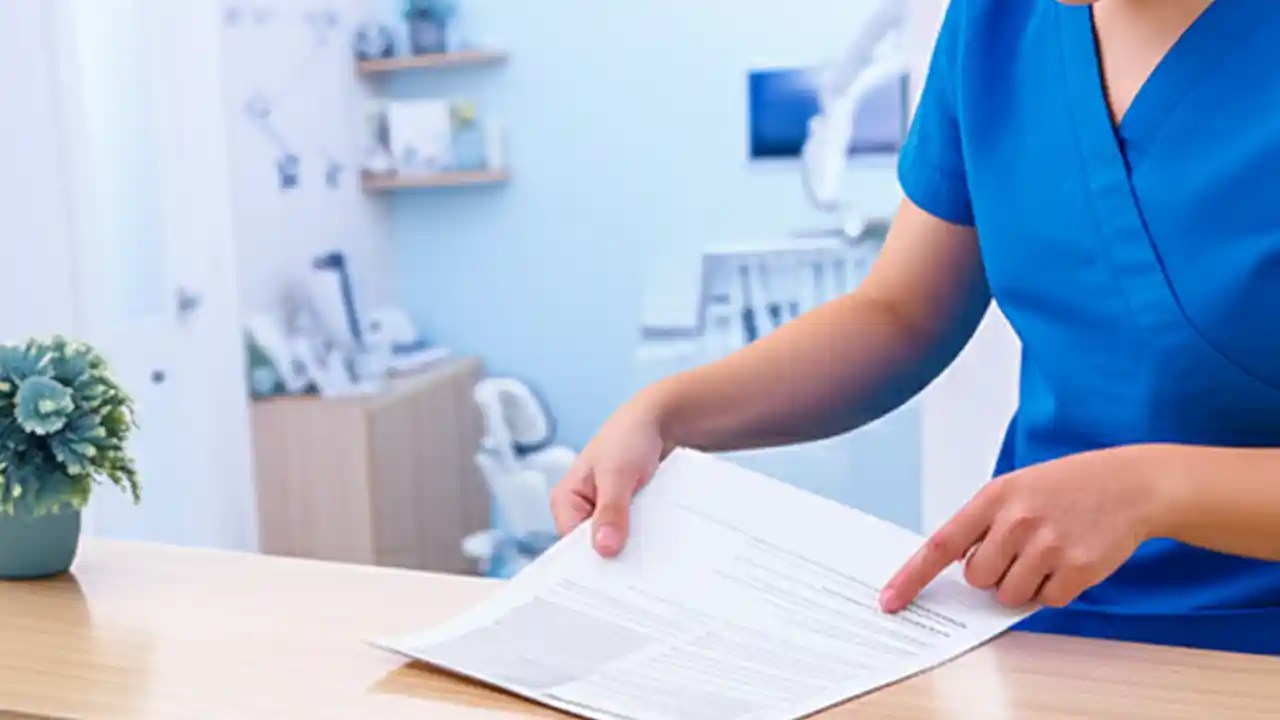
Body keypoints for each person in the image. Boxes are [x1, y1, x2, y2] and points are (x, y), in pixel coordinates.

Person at [551, 0, 1280, 654]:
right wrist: (668, 414)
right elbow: (900, 315)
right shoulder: (998, 23)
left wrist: (1155, 490)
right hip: (1037, 628)